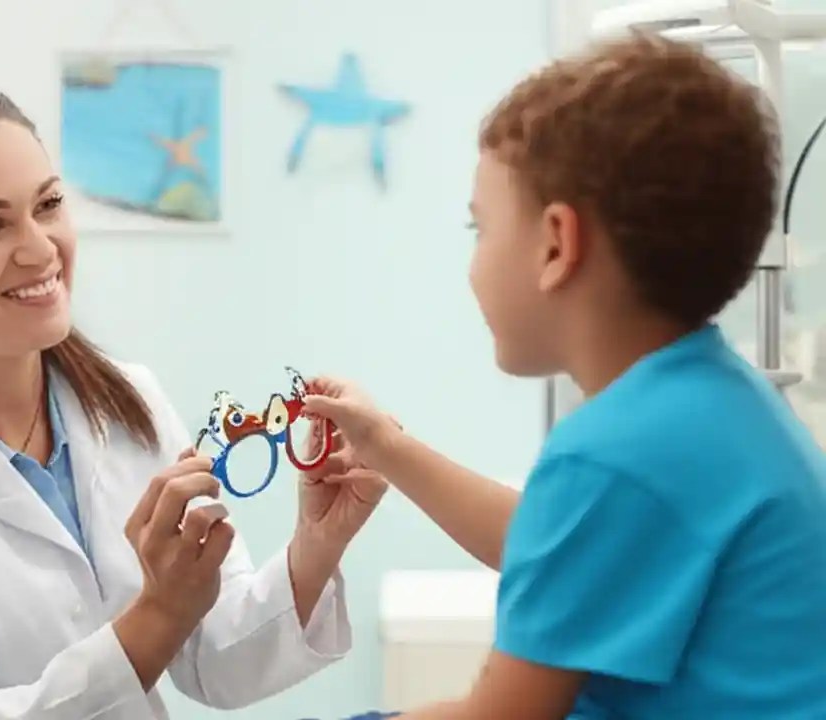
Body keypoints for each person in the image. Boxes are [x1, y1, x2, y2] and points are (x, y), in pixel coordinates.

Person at [0, 79, 387, 720]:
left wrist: (317, 543)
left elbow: (216, 660)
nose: (40, 247)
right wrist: (156, 613)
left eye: (47, 205)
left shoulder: (128, 401)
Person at [301, 34, 826, 719]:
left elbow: (504, 715)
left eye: (479, 228)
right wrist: (386, 449)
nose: (473, 263)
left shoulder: (614, 451)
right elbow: (559, 547)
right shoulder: (718, 404)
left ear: (556, 244)